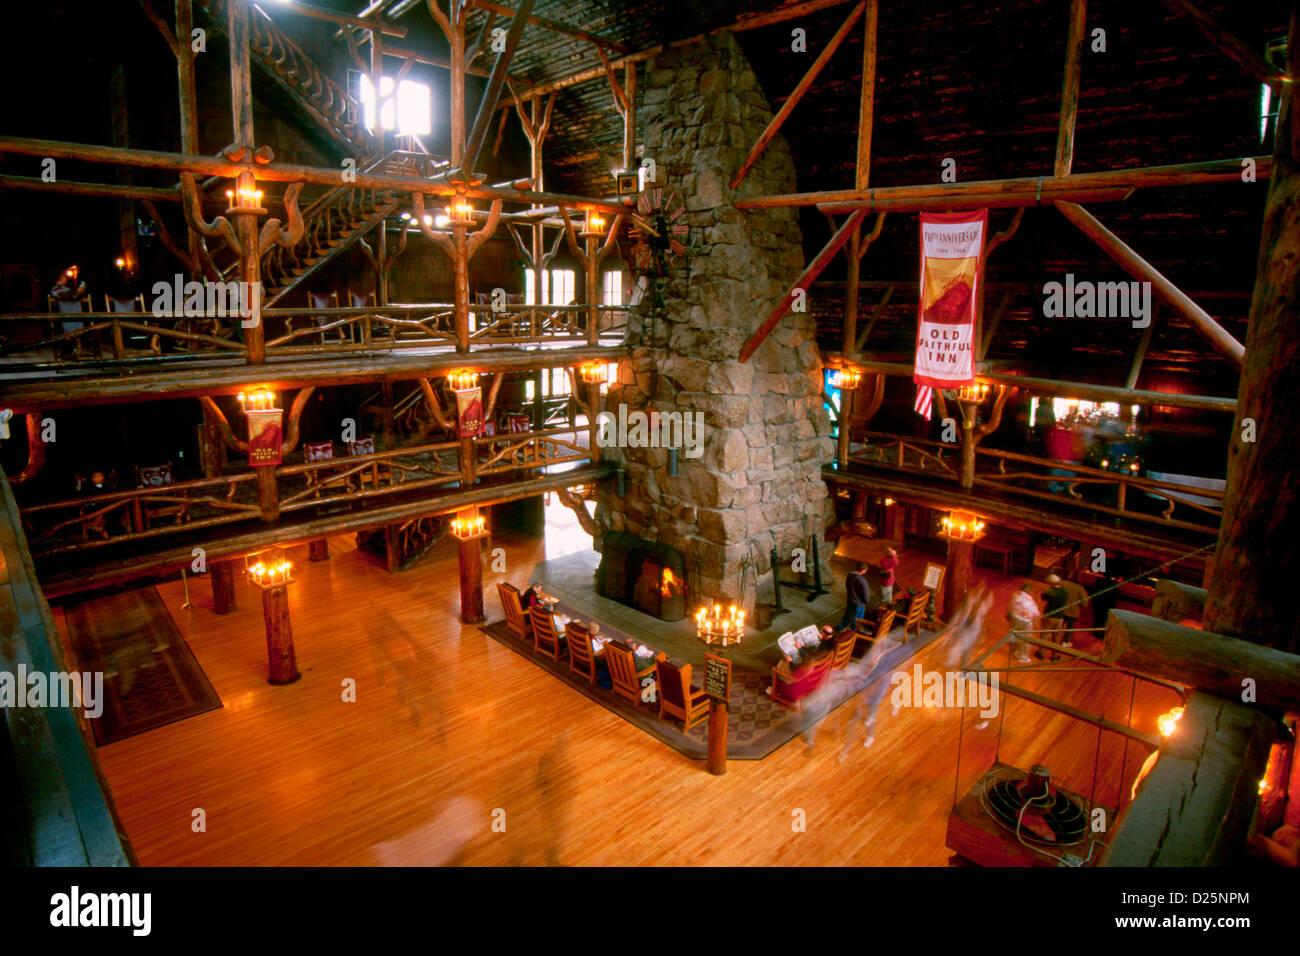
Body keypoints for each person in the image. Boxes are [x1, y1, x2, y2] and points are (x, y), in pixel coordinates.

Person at [1054, 566, 1090, 645]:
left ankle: (1055, 639)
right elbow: (1084, 603)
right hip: (1073, 612)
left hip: (1061, 609)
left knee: (1059, 627)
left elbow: (1055, 592)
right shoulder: (1081, 588)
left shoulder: (1063, 583)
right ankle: (1065, 641)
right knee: (1069, 628)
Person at [1006, 583, 1041, 664]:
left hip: (1015, 618)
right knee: (1025, 640)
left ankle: (1013, 652)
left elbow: (1010, 605)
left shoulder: (1015, 594)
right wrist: (1036, 624)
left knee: (1013, 636)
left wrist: (1008, 613)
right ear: (1029, 590)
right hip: (1025, 621)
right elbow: (1035, 613)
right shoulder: (1029, 600)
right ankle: (1023, 657)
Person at [1040, 573, 1070, 661]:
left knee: (1045, 635)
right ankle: (1055, 655)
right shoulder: (1064, 592)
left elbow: (1043, 597)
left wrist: (1045, 590)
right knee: (1057, 637)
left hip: (1049, 615)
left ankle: (1041, 653)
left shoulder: (1050, 591)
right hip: (1060, 617)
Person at [837, 564, 871, 633]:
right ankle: (853, 632)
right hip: (859, 603)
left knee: (847, 615)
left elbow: (847, 586)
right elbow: (865, 594)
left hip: (850, 600)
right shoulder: (862, 580)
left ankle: (840, 629)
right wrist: (866, 602)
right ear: (864, 570)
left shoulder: (850, 576)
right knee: (857, 619)